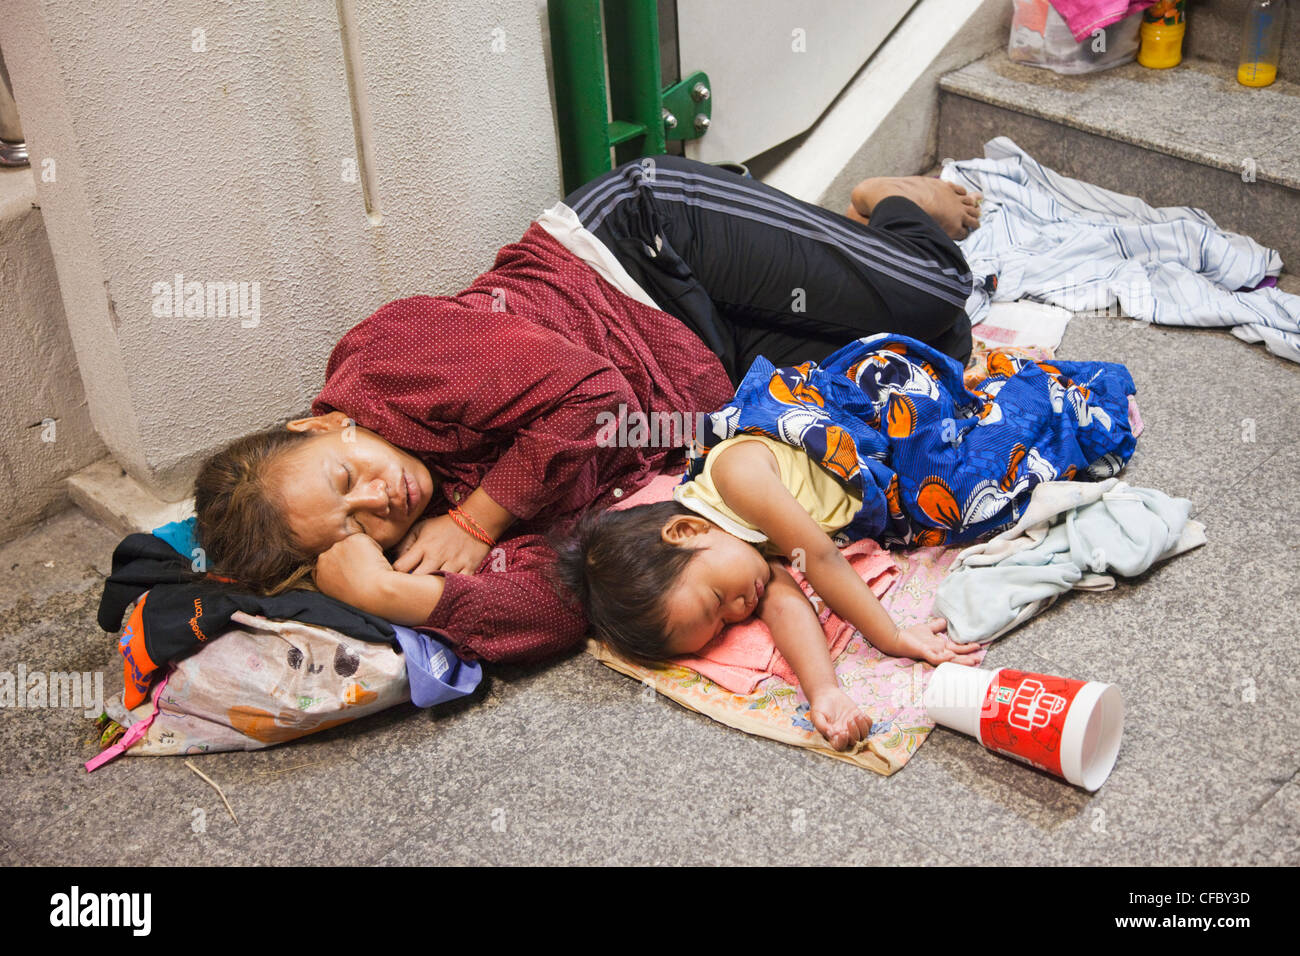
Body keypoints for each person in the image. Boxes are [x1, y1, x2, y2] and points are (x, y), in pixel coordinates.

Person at [191, 155, 981, 667]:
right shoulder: (420, 542)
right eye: (356, 529)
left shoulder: (387, 361)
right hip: (711, 365)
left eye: (343, 477)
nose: (378, 499)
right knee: (942, 340)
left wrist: (479, 520)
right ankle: (848, 252)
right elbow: (564, 607)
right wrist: (400, 598)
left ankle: (899, 199)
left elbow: (592, 398)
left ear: (319, 424)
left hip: (647, 246)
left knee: (937, 287)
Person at [550, 429, 983, 753]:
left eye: (718, 601)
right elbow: (787, 609)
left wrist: (892, 636)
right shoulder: (737, 551)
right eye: (722, 629)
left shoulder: (735, 478)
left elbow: (819, 557)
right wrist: (823, 692)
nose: (741, 612)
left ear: (686, 530)